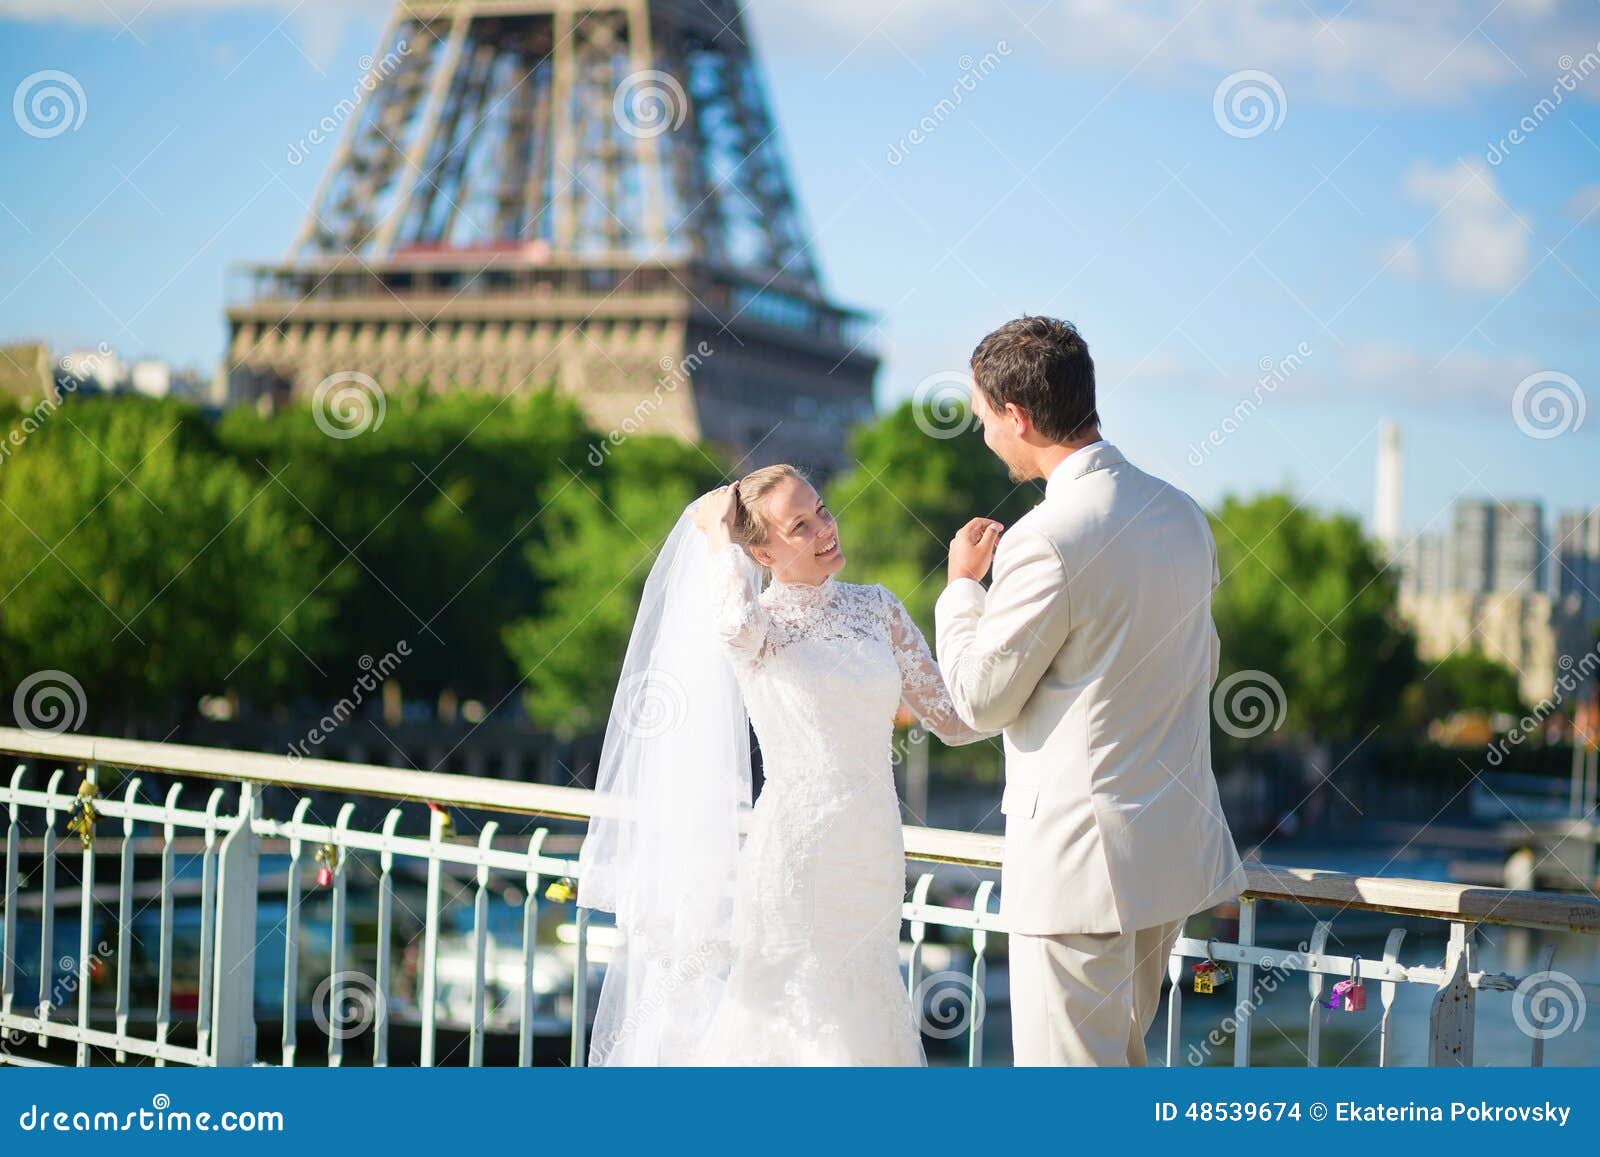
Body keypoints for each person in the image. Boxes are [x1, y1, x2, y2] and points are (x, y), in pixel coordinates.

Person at [580, 463, 992, 1065]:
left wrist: (966, 589)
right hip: (795, 859)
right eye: (800, 526)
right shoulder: (757, 625)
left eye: (821, 510)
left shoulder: (878, 608)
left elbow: (956, 721)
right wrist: (719, 538)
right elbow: (734, 625)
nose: (825, 529)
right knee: (793, 1020)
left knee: (867, 1010)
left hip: (873, 855)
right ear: (762, 553)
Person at [935, 315, 1248, 1066]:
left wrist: (961, 590)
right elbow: (1199, 666)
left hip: (1077, 869)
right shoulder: (1182, 512)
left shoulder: (1046, 537)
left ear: (1017, 416)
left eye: (983, 419)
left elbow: (978, 700)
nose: (985, 436)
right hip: (1168, 855)